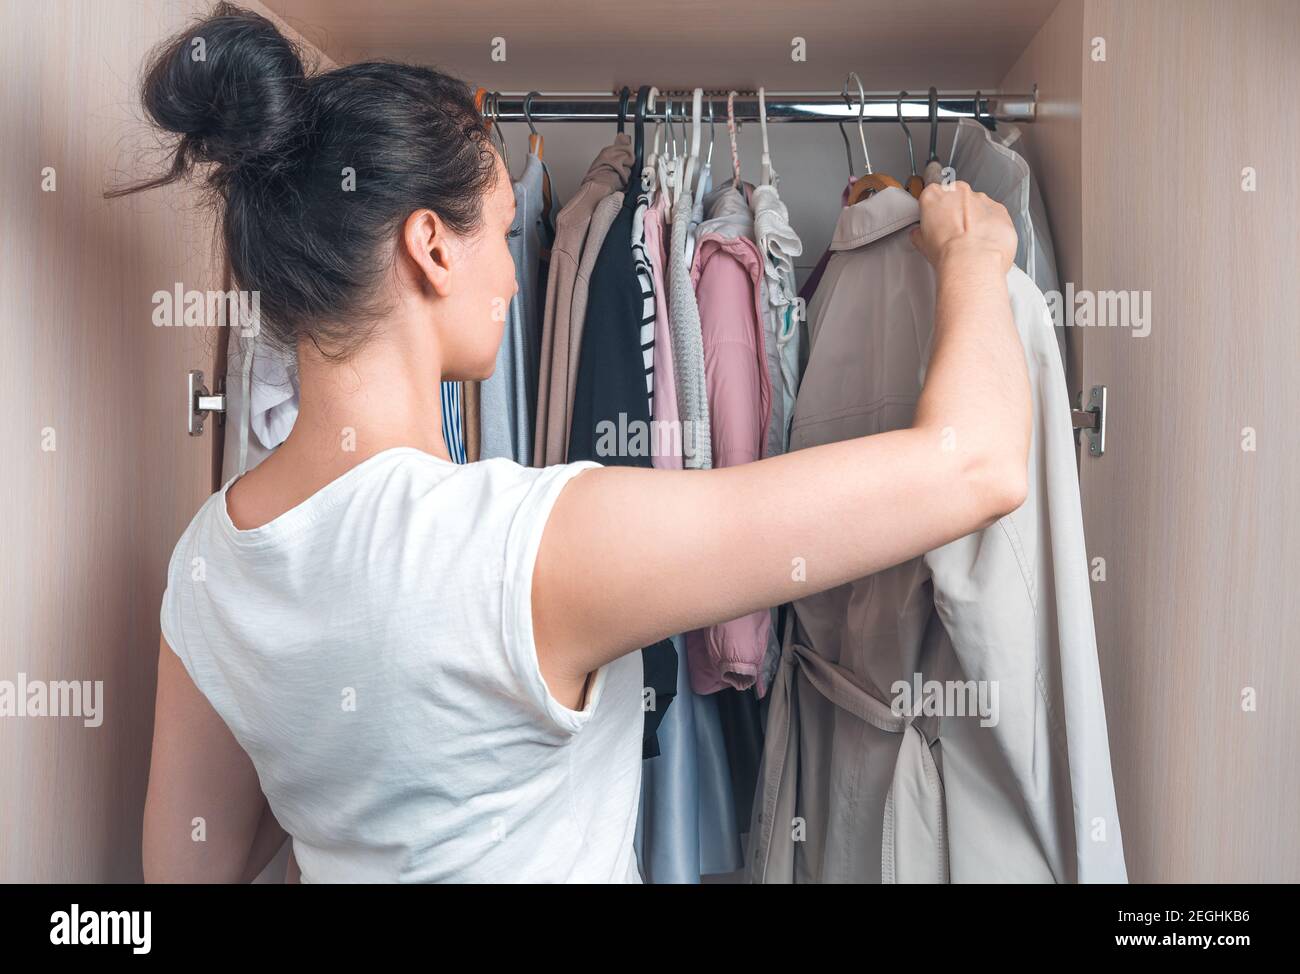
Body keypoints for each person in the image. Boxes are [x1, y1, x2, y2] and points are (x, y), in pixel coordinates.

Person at [127, 4, 1029, 883]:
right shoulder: (526, 548)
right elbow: (978, 463)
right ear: (432, 249)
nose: (518, 266)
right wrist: (976, 258)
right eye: (497, 222)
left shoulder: (212, 560)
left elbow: (192, 866)